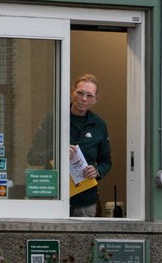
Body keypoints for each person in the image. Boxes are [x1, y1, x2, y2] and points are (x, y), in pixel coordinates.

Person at [66, 74, 111, 217]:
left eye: (90, 96)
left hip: (86, 199)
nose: (84, 99)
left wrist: (97, 171)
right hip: (56, 196)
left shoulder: (99, 125)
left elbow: (106, 162)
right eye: (80, 93)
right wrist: (58, 153)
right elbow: (33, 155)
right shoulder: (56, 118)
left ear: (95, 100)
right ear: (72, 92)